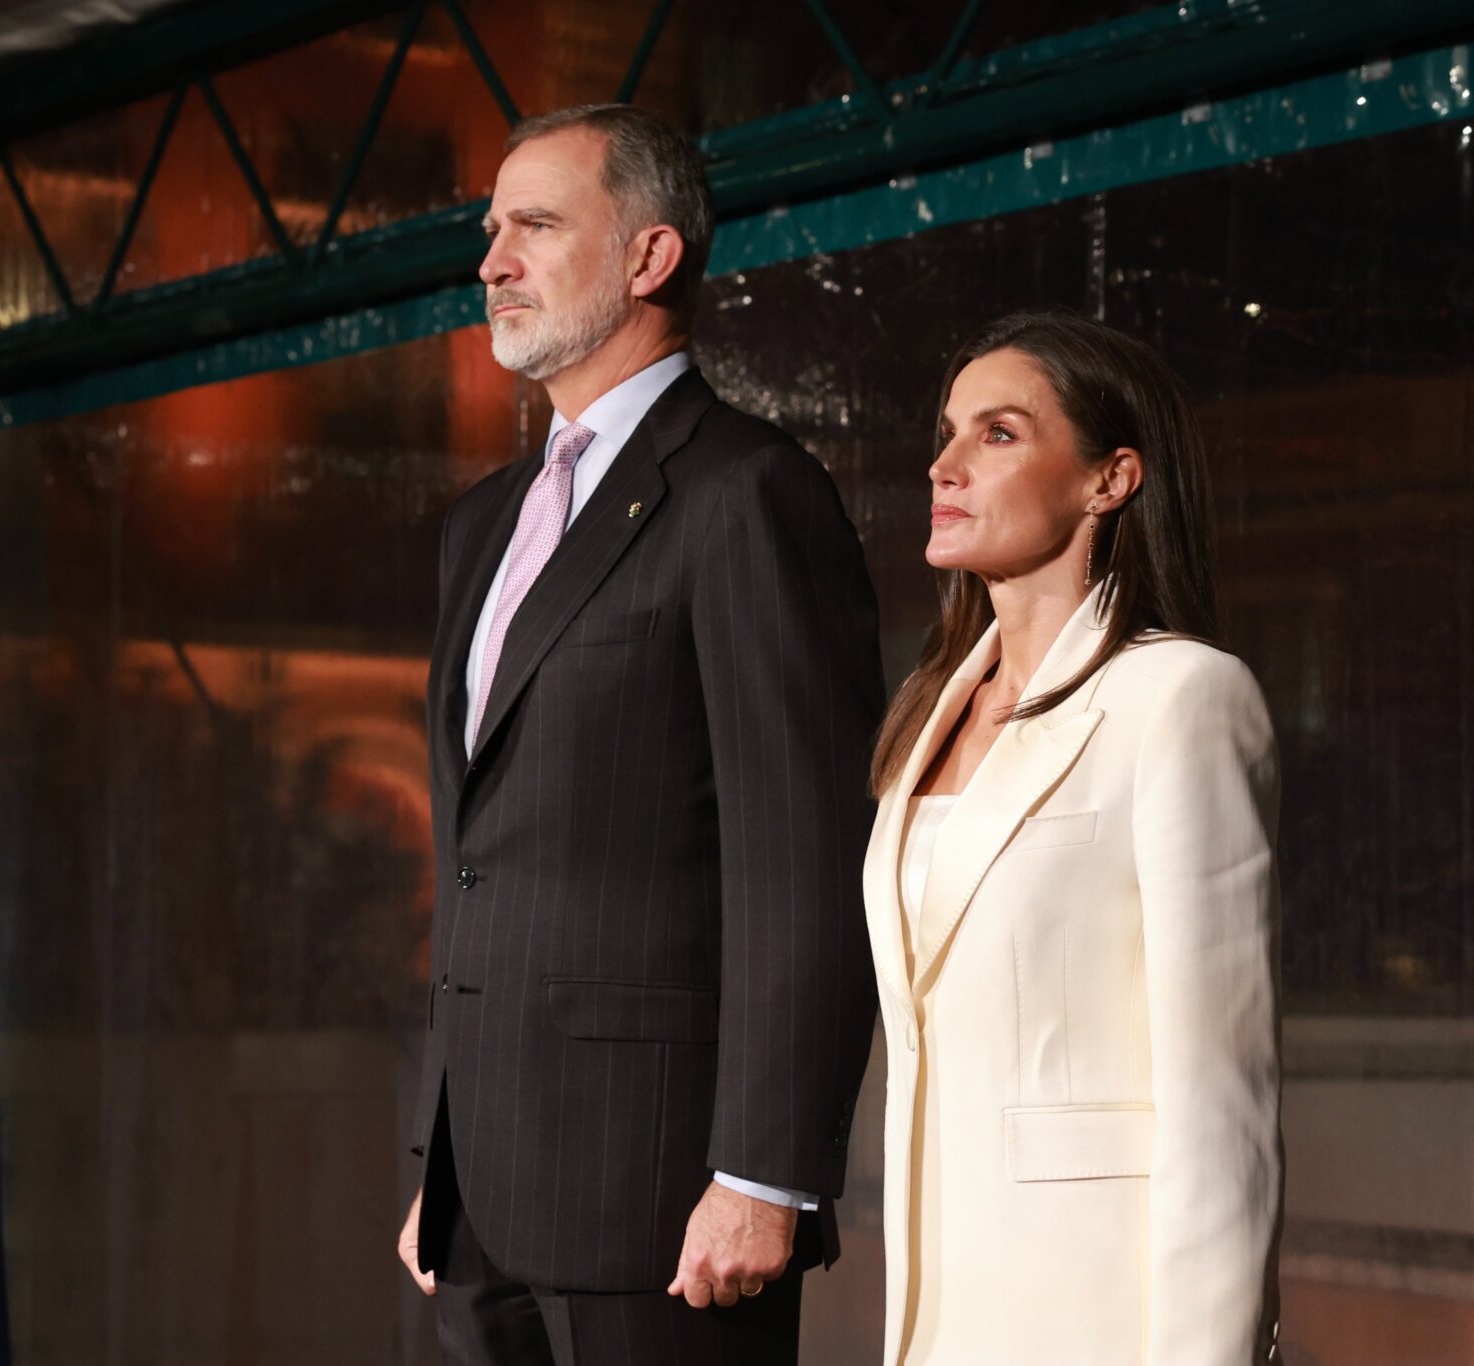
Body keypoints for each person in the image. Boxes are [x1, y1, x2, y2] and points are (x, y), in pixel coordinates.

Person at [395, 103, 883, 1365]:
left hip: (662, 1201)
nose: (491, 260)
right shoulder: (478, 526)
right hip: (477, 1201)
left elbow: (804, 858)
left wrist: (768, 1173)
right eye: (489, 229)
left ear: (650, 257)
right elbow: (478, 851)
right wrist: (433, 1157)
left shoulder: (745, 493)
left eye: (535, 226)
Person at [864, 310, 1283, 1365]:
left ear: (1110, 479)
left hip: (1096, 1315)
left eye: (996, 433)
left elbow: (1218, 1100)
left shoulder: (1180, 696)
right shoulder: (925, 716)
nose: (943, 462)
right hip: (934, 1307)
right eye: (947, 429)